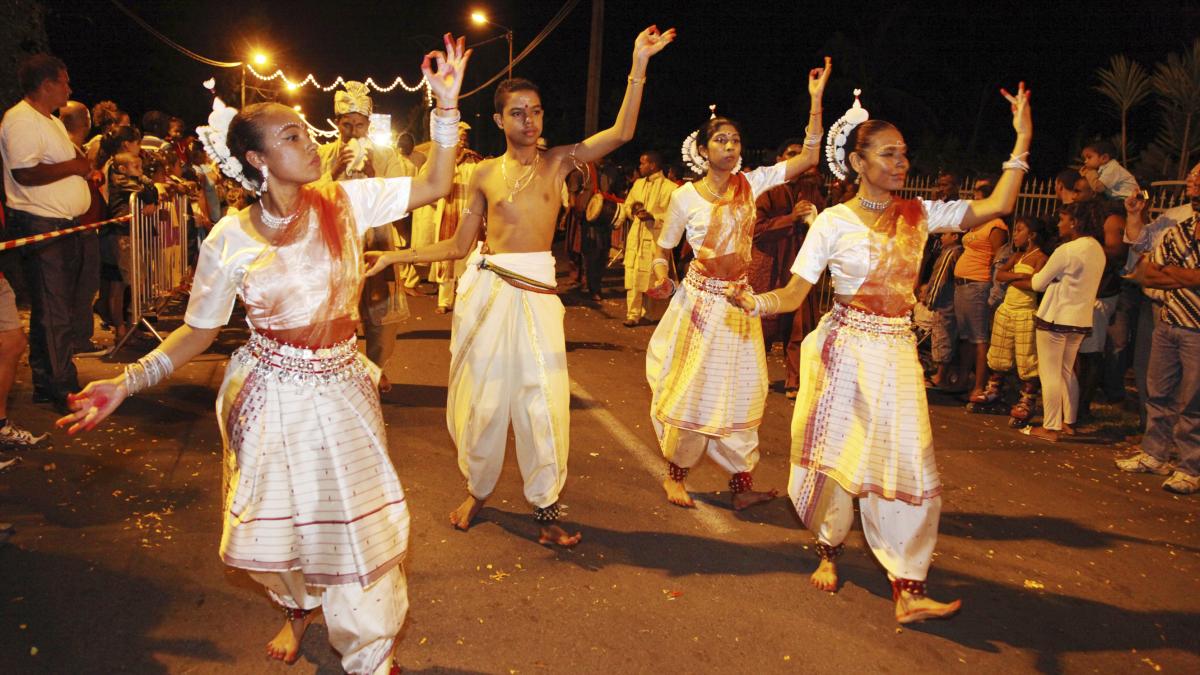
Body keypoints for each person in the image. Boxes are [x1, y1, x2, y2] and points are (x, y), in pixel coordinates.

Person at [57, 36, 471, 674]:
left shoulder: (344, 201)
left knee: (357, 525)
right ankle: (298, 606)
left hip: (342, 389)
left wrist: (445, 107)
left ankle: (370, 653)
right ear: (257, 158)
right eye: (292, 136)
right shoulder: (229, 238)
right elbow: (196, 332)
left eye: (305, 132)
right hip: (268, 395)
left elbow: (436, 181)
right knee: (282, 530)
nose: (310, 143)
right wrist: (125, 382)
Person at [730, 82, 1033, 622]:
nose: (901, 163)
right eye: (889, 154)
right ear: (858, 162)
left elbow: (999, 204)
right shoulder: (832, 222)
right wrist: (754, 303)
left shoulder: (920, 214)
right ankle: (829, 548)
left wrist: (1021, 141)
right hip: (845, 352)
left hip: (896, 354)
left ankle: (908, 585)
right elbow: (795, 294)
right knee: (839, 458)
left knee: (907, 461)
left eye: (903, 154)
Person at [366, 26, 675, 547]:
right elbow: (458, 246)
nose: (529, 120)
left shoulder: (559, 162)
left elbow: (621, 132)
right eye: (517, 112)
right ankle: (478, 490)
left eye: (535, 111)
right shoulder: (483, 175)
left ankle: (546, 509)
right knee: (485, 401)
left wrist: (639, 63)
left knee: (543, 402)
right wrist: (397, 255)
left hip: (537, 295)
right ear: (499, 120)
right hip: (490, 294)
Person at [645, 59, 831, 512]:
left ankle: (741, 485)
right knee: (693, 388)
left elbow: (808, 158)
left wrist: (815, 101)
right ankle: (676, 474)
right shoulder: (684, 197)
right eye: (720, 140)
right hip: (698, 306)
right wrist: (660, 274)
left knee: (743, 391)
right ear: (703, 150)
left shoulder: (752, 183)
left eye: (735, 141)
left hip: (739, 305)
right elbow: (663, 248)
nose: (730, 147)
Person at [0, 54, 92, 413]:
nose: (69, 88)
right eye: (64, 82)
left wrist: (78, 169)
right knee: (54, 310)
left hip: (60, 224)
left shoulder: (50, 121)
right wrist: (75, 167)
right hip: (40, 224)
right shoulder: (21, 120)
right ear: (47, 84)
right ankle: (61, 386)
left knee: (56, 308)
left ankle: (47, 379)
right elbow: (24, 172)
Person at [318, 81, 417, 393]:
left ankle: (375, 368)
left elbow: (401, 199)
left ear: (368, 125)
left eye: (359, 125)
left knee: (381, 316)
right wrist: (333, 172)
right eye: (346, 124)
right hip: (333, 245)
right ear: (337, 123)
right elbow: (305, 197)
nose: (353, 131)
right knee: (334, 312)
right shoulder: (322, 154)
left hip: (377, 243)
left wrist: (374, 172)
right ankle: (339, 371)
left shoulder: (386, 155)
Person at [1116, 161, 1200, 494]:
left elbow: (1164, 271)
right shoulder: (1180, 224)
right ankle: (1155, 453)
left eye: (1199, 176)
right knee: (1159, 393)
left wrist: (1173, 273)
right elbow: (1147, 270)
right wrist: (1187, 277)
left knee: (1193, 401)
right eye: (1192, 175)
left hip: (1196, 329)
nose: (1192, 180)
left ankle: (1191, 467)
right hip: (1168, 319)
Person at [1020, 200, 1107, 442]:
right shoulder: (1097, 249)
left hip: (1055, 317)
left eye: (1062, 220)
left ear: (1074, 222)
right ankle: (1069, 422)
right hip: (1080, 319)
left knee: (1050, 373)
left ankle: (1050, 427)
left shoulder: (1067, 250)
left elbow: (1038, 282)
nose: (1059, 224)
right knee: (1067, 371)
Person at [751, 146, 826, 397]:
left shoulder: (811, 189)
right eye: (791, 154)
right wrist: (791, 218)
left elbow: (824, 225)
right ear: (779, 159)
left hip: (800, 266)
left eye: (801, 154)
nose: (798, 159)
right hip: (770, 265)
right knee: (763, 326)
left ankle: (795, 381)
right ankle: (752, 377)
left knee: (798, 326)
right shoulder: (767, 190)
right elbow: (757, 230)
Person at [985, 215, 1050, 425]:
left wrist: (1013, 278)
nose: (1015, 235)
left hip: (1025, 312)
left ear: (1032, 235)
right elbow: (1000, 275)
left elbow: (1035, 284)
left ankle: (1027, 400)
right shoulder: (1017, 256)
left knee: (1027, 358)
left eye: (1019, 230)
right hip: (1007, 309)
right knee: (999, 352)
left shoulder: (1041, 258)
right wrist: (1018, 277)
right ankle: (994, 389)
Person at [411, 122, 481, 313]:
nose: (463, 141)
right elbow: (426, 181)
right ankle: (444, 301)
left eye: (465, 138)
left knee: (467, 255)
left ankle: (464, 298)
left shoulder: (473, 160)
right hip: (448, 213)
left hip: (468, 212)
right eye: (459, 137)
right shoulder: (439, 160)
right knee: (446, 255)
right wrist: (451, 161)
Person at [954, 177, 1009, 404]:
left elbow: (999, 258)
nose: (974, 199)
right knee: (966, 337)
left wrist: (995, 290)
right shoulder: (976, 223)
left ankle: (979, 386)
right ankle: (963, 382)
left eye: (979, 195)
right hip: (963, 283)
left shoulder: (996, 225)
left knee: (979, 338)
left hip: (978, 284)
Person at [58, 100, 105, 353]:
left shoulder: (72, 148)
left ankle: (74, 338)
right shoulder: (67, 149)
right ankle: (78, 339)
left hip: (82, 226)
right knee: (83, 286)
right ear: (85, 122)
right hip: (80, 227)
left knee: (80, 285)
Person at [621, 150, 676, 326]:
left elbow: (674, 216)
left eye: (643, 163)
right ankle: (633, 314)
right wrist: (633, 212)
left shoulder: (671, 188)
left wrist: (653, 217)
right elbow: (627, 205)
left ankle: (651, 314)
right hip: (636, 236)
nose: (640, 166)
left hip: (655, 238)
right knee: (633, 274)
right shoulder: (637, 184)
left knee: (652, 277)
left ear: (652, 165)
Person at [919, 231, 962, 389]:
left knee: (943, 336)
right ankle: (941, 374)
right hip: (949, 301)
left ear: (955, 237)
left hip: (944, 303)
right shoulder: (952, 252)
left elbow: (940, 279)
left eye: (945, 234)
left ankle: (940, 377)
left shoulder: (951, 253)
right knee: (944, 336)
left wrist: (931, 299)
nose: (942, 237)